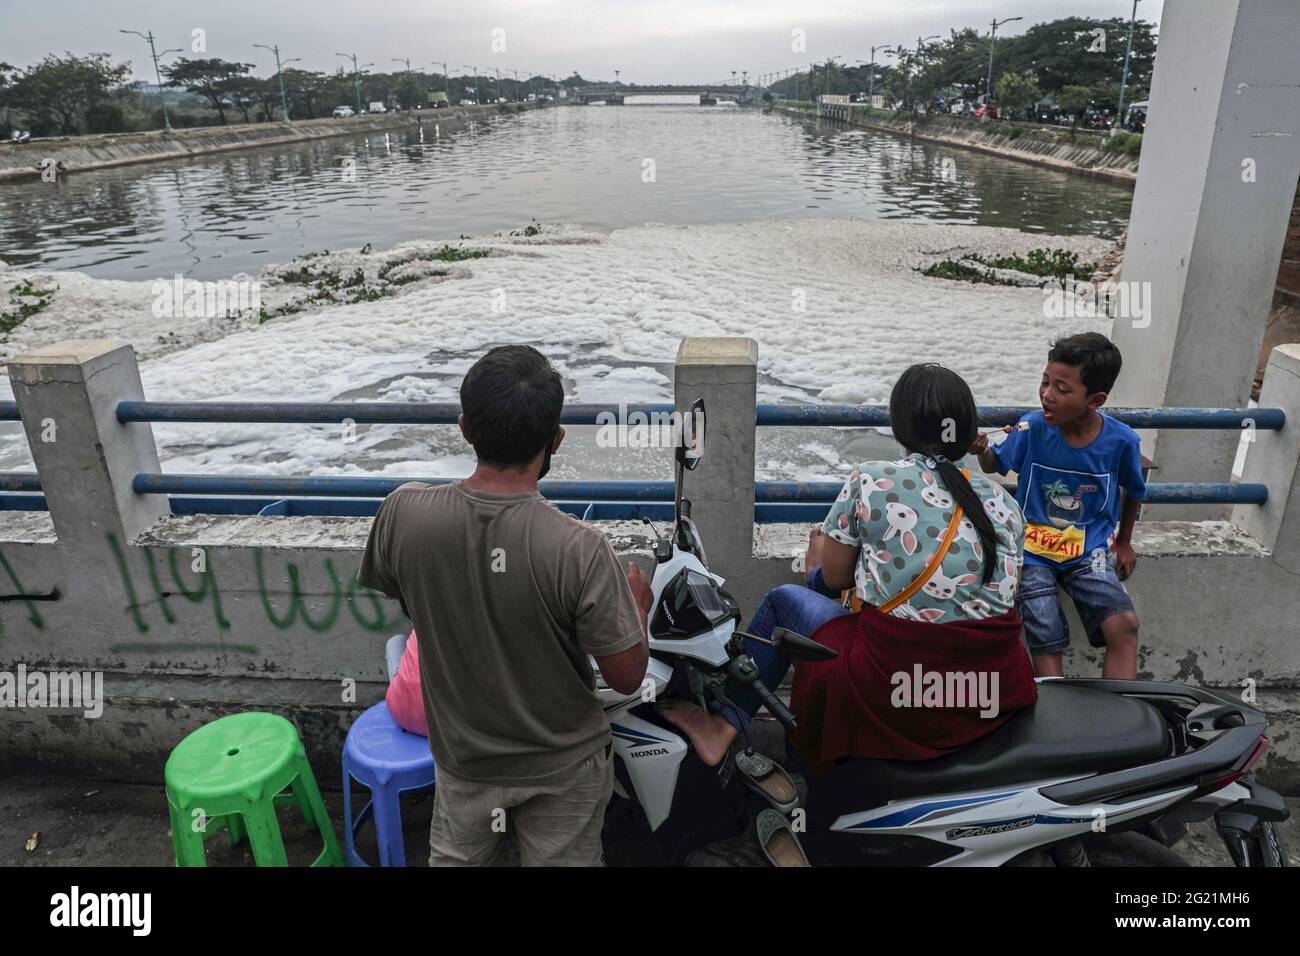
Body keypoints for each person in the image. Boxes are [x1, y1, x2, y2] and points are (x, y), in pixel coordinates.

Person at [661, 363, 1037, 778]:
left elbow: (834, 581)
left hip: (893, 679)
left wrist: (816, 559)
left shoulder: (872, 479)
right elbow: (999, 593)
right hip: (987, 691)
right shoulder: (1005, 502)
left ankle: (721, 727)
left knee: (784, 601)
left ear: (901, 426)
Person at [359, 344, 652, 866]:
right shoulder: (579, 547)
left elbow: (409, 600)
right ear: (556, 439)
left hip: (465, 766)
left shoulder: (404, 514)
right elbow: (627, 676)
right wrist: (637, 608)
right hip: (563, 769)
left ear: (465, 427)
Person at [971, 332, 1145, 679]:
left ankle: (1121, 717)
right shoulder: (1032, 427)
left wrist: (1123, 542)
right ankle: (1052, 712)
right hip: (1031, 551)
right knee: (1045, 631)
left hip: (1089, 552)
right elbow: (995, 465)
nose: (1047, 395)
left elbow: (1134, 490)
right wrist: (983, 450)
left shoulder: (1122, 441)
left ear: (1095, 399)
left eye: (1062, 390)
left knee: (1124, 625)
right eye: (1045, 382)